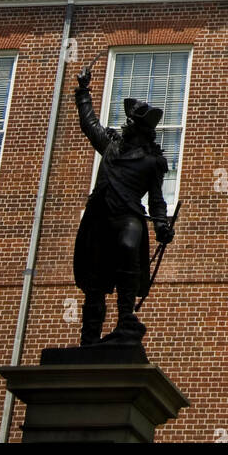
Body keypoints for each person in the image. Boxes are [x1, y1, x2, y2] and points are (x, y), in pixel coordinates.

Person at [73, 64, 174, 346]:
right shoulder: (111, 145)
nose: (125, 124)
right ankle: (89, 338)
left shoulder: (152, 161)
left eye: (131, 121)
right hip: (99, 217)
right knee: (94, 283)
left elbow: (156, 199)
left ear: (141, 129)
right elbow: (89, 124)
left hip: (128, 215)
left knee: (130, 247)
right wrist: (83, 92)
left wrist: (162, 225)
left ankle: (126, 316)